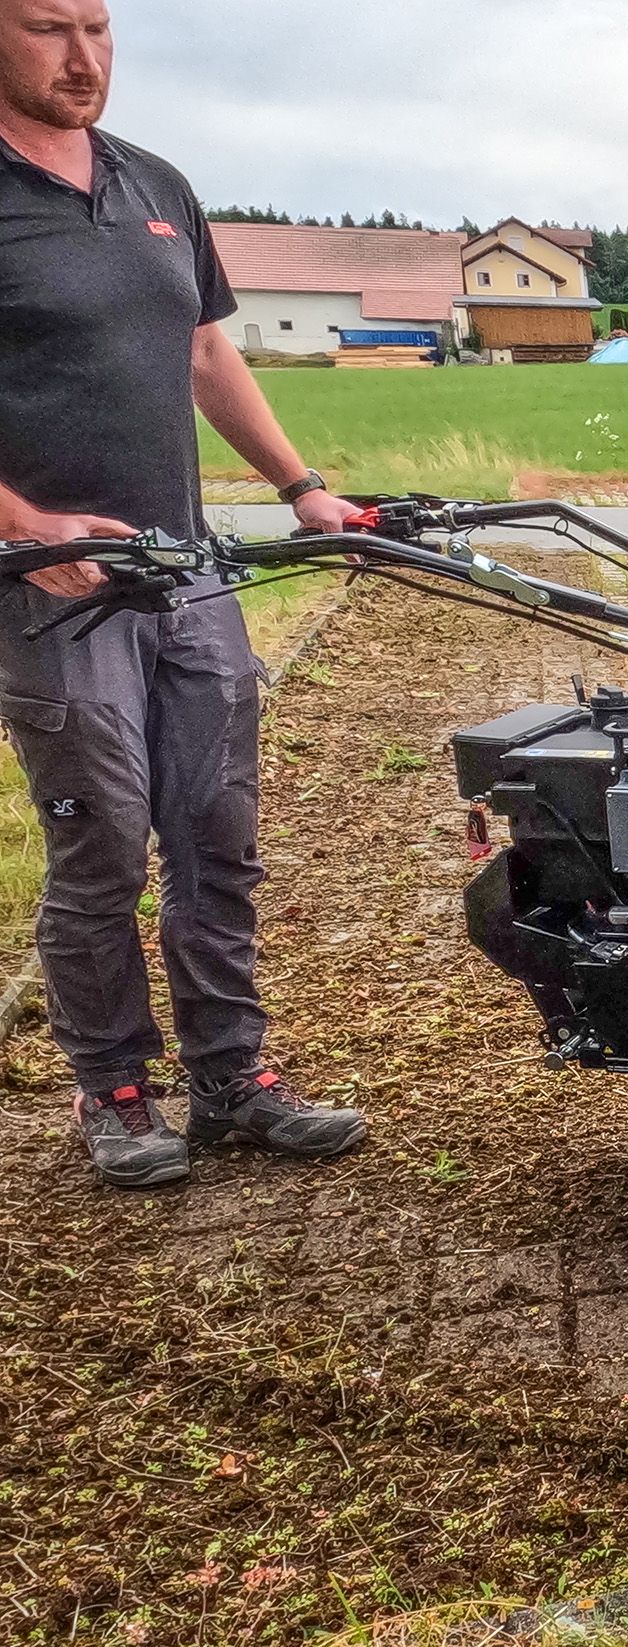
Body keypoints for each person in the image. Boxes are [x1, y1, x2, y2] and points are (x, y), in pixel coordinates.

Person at [0, 0, 366, 1186]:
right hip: (52, 589)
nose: (83, 57)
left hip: (184, 567)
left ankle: (232, 1079)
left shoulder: (155, 181)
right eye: (48, 29)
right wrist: (25, 526)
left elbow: (207, 351)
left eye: (99, 29)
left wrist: (303, 486)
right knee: (102, 841)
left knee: (217, 829)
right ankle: (113, 1088)